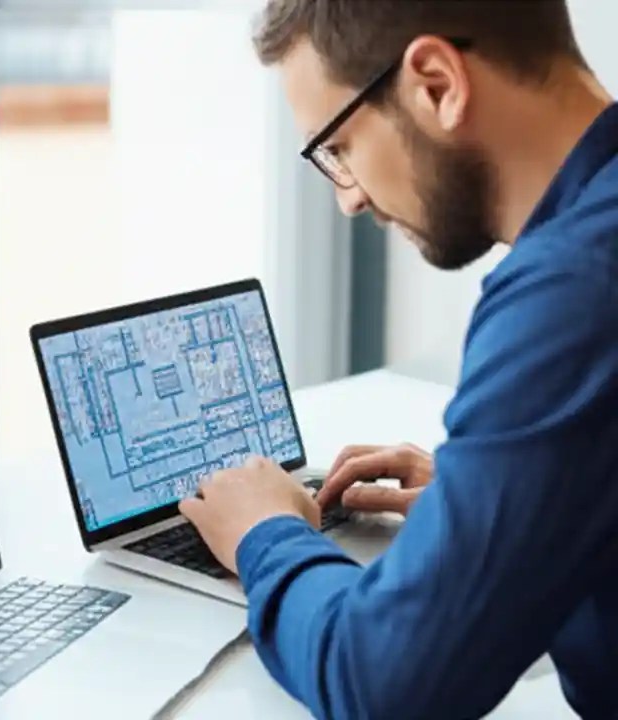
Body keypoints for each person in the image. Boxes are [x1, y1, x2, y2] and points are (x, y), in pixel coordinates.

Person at [177, 1, 618, 718]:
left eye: (340, 147)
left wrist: (267, 534)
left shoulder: (574, 290)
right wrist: (503, 496)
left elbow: (383, 683)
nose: (348, 199)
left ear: (438, 83)